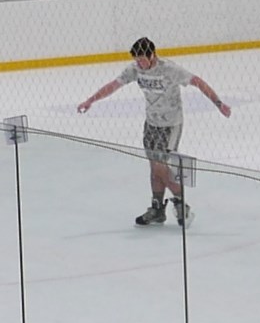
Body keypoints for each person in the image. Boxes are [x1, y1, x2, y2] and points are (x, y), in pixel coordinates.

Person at [74, 34, 230, 226]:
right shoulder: (135, 69)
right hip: (151, 124)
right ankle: (157, 208)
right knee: (154, 168)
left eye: (141, 59)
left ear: (152, 55)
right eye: (136, 60)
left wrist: (218, 103)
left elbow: (198, 81)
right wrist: (91, 100)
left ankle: (181, 204)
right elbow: (114, 85)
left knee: (161, 167)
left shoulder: (170, 69)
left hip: (170, 124)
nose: (138, 64)